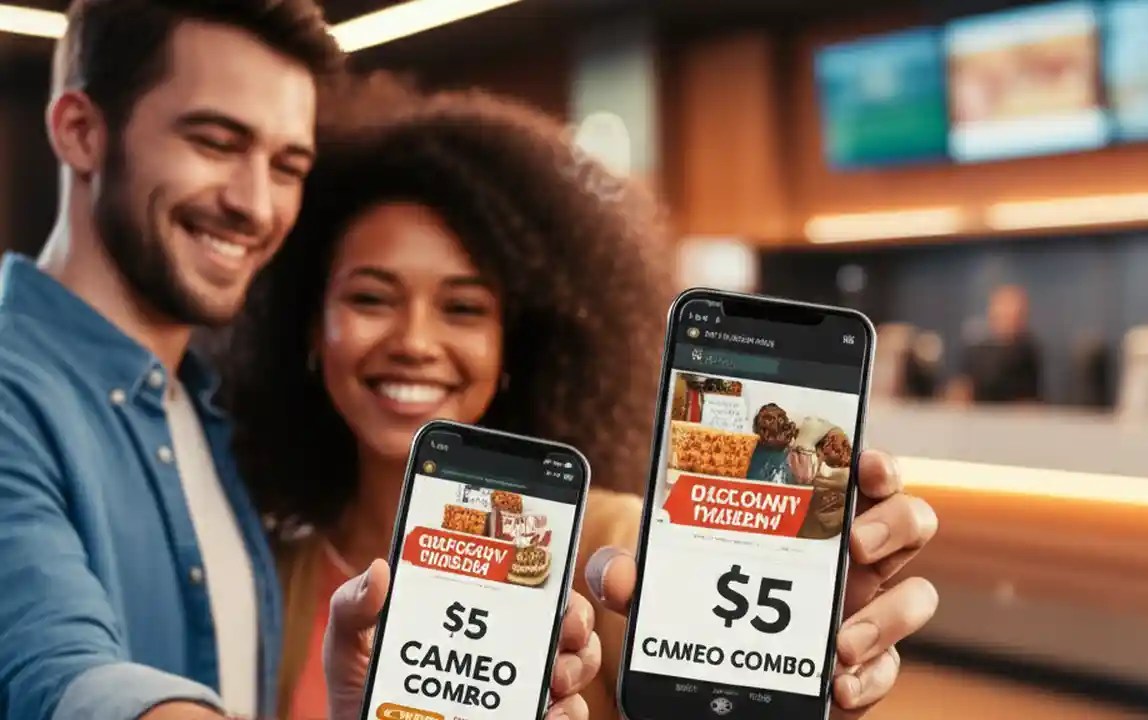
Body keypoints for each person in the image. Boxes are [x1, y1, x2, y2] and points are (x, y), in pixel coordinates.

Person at [223, 74, 940, 720]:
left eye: (464, 309)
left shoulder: (615, 548)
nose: (414, 339)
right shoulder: (265, 561)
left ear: (512, 352)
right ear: (310, 331)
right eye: (372, 298)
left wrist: (799, 679)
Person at [0, 4, 600, 720]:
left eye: (288, 166)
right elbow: (59, 671)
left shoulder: (206, 415)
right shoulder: (15, 391)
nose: (256, 205)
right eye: (216, 142)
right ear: (81, 131)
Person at [949, 284, 1042, 404]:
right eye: (1004, 312)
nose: (1009, 319)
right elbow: (961, 387)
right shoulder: (976, 349)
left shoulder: (1029, 351)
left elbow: (1029, 398)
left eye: (1015, 313)